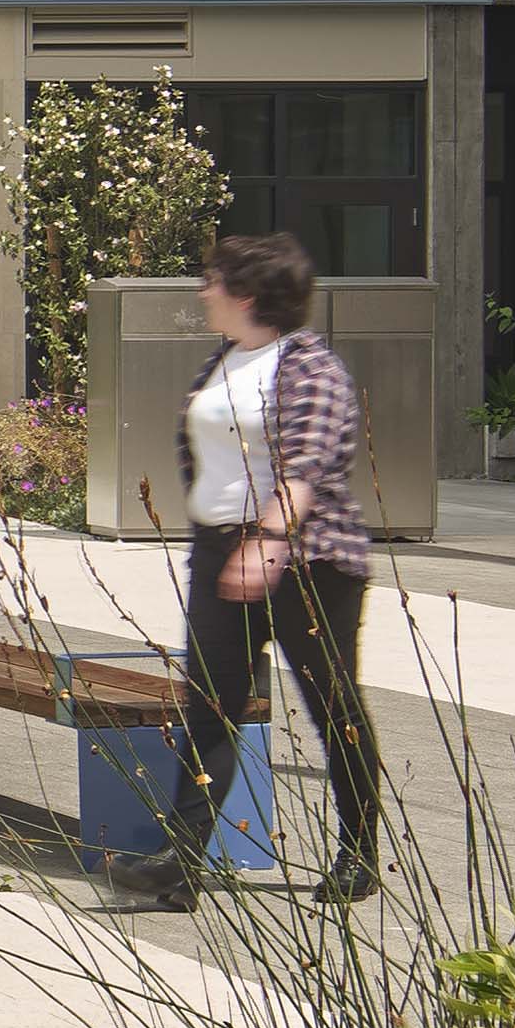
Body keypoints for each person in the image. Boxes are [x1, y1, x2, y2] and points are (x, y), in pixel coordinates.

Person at [132, 225, 383, 909]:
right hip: (220, 550)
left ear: (247, 293)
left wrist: (268, 539)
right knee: (209, 707)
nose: (203, 289)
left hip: (308, 562)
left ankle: (358, 854)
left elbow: (305, 463)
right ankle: (180, 862)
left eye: (213, 279)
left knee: (333, 706)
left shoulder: (309, 367)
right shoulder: (224, 360)